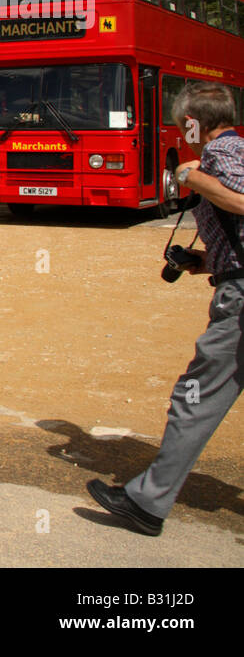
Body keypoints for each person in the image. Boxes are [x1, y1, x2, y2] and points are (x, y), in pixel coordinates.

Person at [87, 81, 244, 536]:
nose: (180, 133)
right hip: (232, 281)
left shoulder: (221, 155)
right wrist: (201, 262)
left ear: (194, 123)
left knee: (193, 398)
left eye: (181, 125)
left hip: (239, 303)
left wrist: (193, 177)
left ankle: (146, 502)